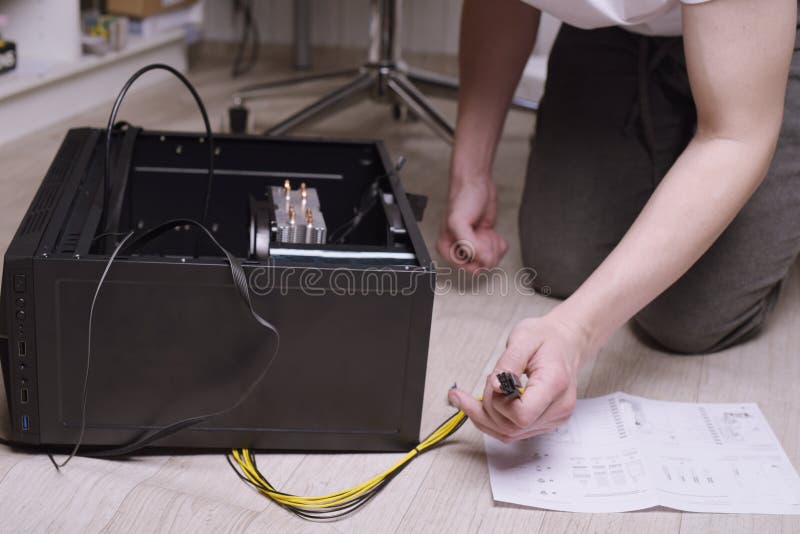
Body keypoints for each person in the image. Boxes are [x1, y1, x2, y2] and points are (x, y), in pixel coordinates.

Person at [443, 0, 799, 443]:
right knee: (562, 260)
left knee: (690, 319)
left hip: (763, 30)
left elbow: (736, 136)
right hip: (617, 34)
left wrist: (574, 331)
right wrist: (471, 172)